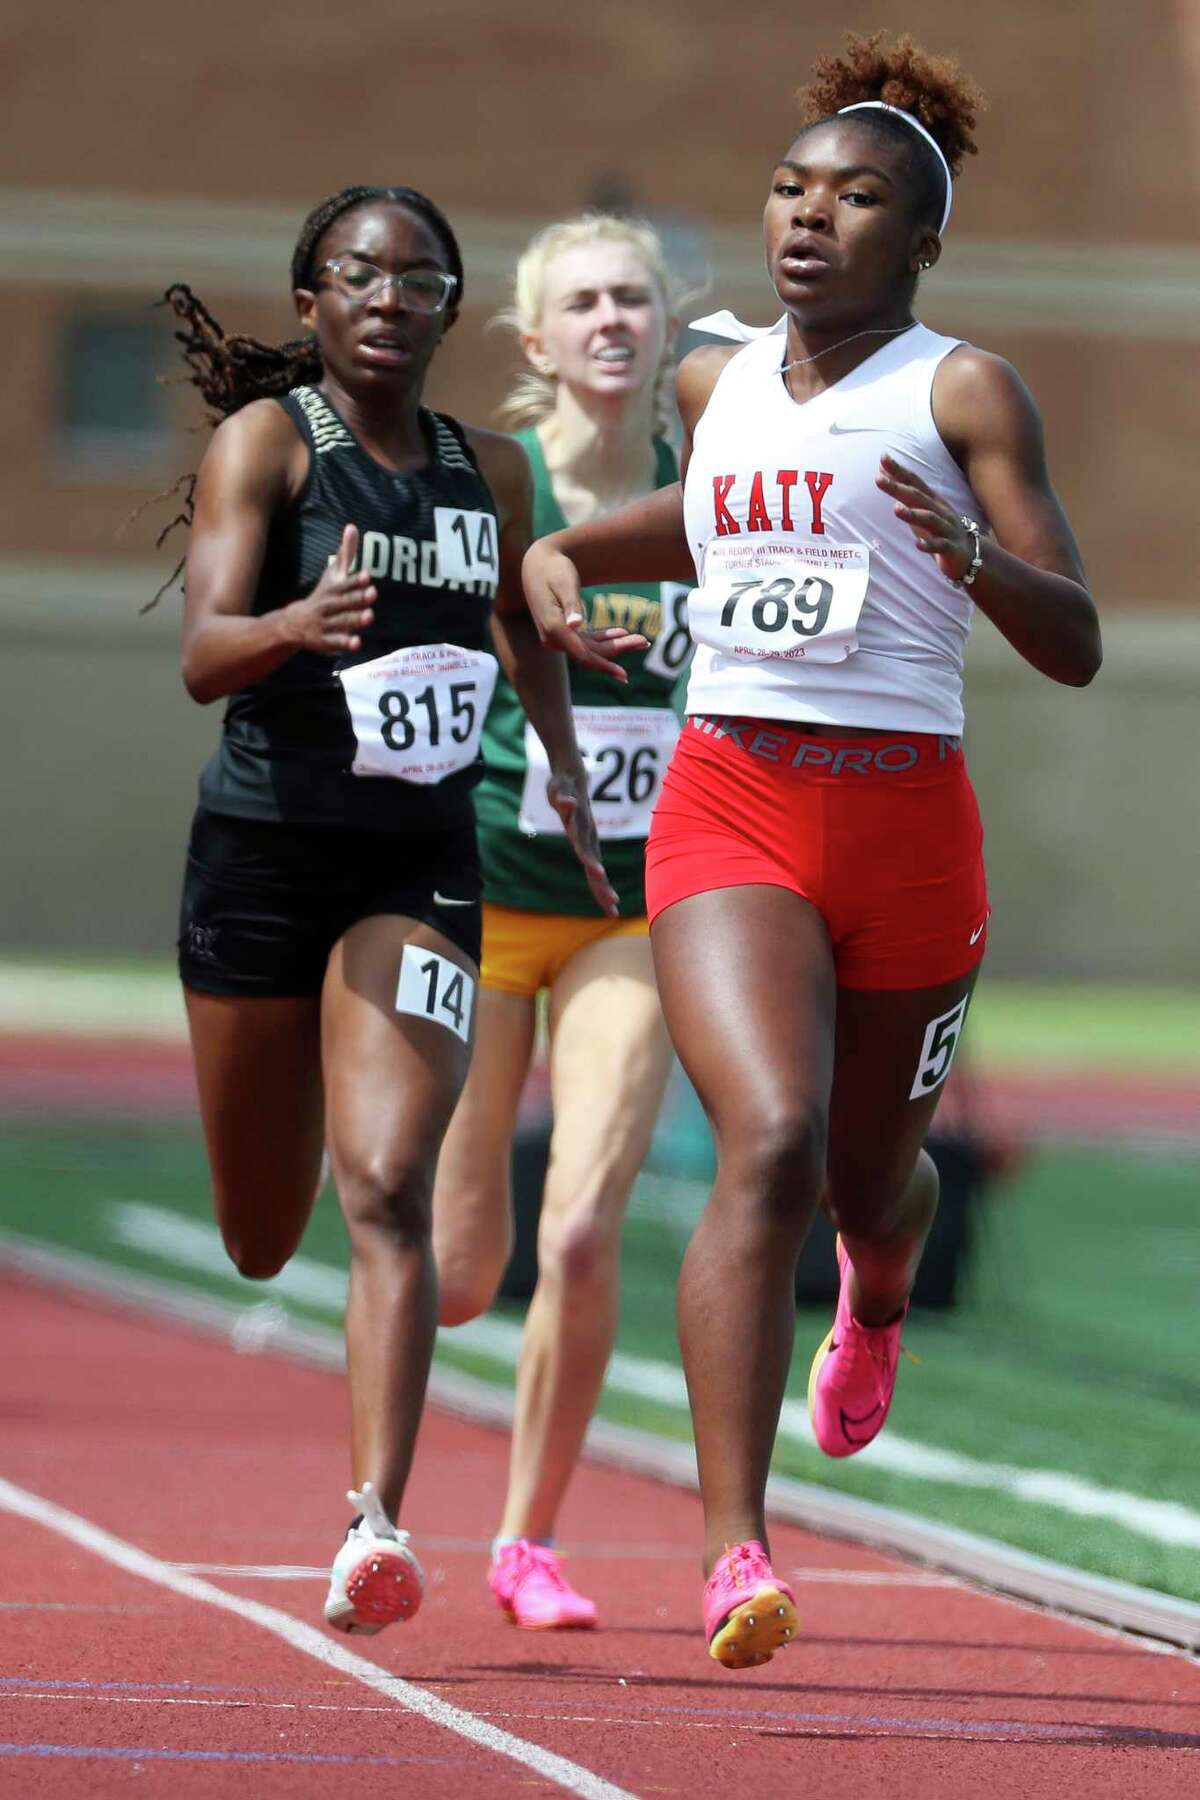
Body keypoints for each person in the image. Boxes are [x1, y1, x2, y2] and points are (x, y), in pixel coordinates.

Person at [521, 33, 1101, 1670]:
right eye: (791, 190)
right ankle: (735, 1550)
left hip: (909, 817)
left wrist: (976, 555)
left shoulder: (963, 390)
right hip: (734, 796)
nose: (807, 220)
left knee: (863, 1175)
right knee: (765, 1141)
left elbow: (1076, 641)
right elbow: (707, 520)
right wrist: (561, 545)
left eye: (854, 201)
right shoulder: (711, 377)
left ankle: (884, 1275)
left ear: (919, 243)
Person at [166, 183, 640, 1637]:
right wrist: (291, 628)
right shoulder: (266, 446)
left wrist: (560, 761)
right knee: (260, 1229)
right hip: (263, 860)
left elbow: (516, 624)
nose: (389, 299)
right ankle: (287, 1132)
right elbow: (201, 655)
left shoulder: (487, 472)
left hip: (420, 869)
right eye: (360, 276)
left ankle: (374, 1522)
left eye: (419, 279)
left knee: (386, 1186)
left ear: (447, 308)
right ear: (312, 299)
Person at [432, 215, 688, 1630]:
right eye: (581, 301)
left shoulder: (702, 489)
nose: (609, 319)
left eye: (633, 299)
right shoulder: (498, 480)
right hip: (481, 899)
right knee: (466, 1274)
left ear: (664, 328)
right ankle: (386, 1495)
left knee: (581, 1231)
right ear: (537, 342)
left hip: (627, 915)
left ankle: (528, 1540)